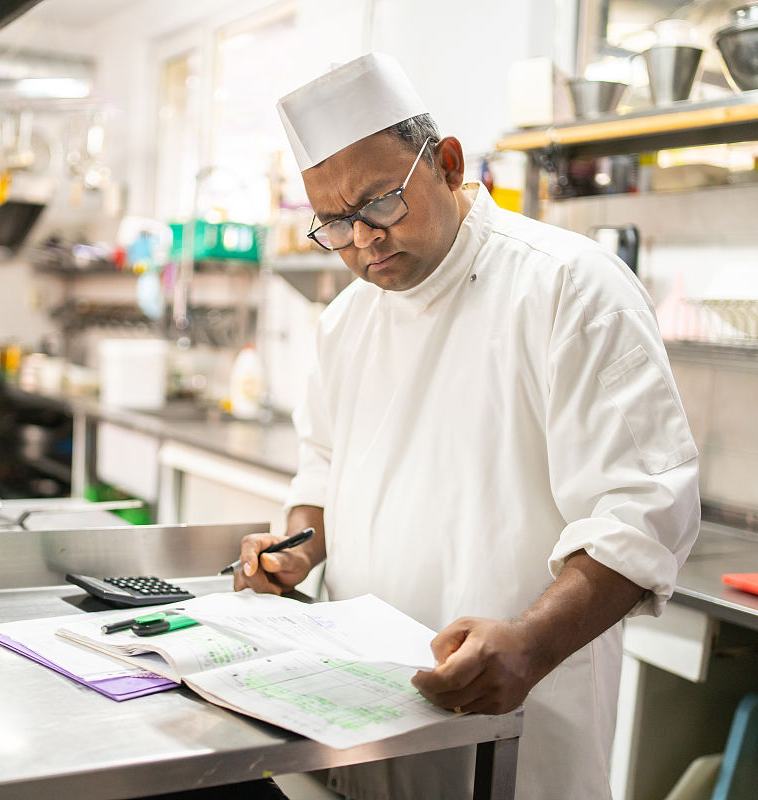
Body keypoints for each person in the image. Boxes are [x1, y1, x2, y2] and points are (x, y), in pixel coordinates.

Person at [234, 53, 700, 800]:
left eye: (381, 202)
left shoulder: (568, 287)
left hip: (521, 731)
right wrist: (295, 548)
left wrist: (531, 645)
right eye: (334, 222)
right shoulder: (346, 320)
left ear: (447, 163)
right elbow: (323, 469)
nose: (363, 241)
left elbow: (641, 513)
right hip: (355, 731)